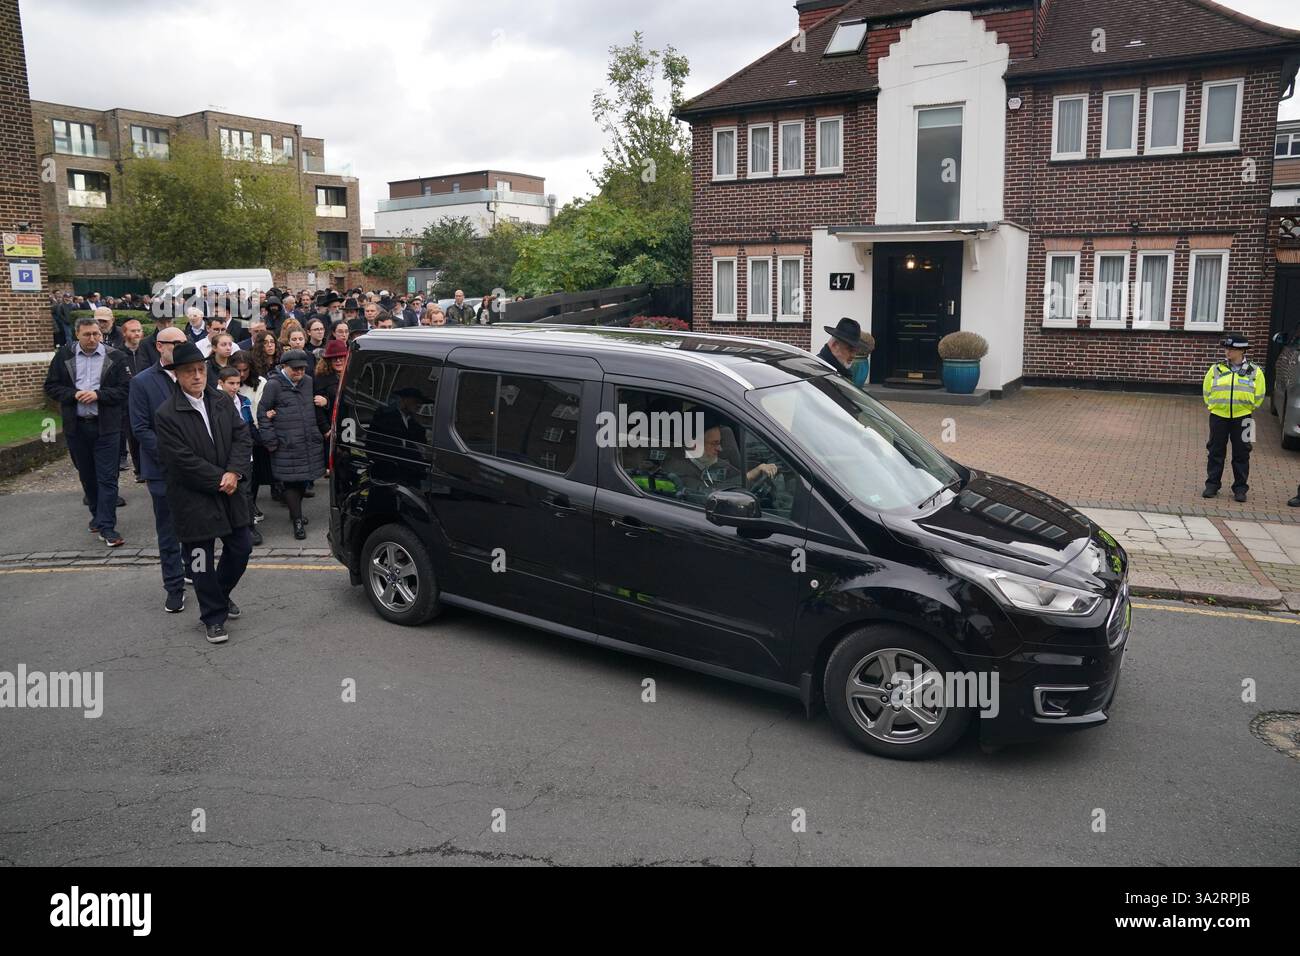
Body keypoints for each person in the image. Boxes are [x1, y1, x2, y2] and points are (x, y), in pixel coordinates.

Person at [154, 342, 254, 644]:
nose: (197, 376)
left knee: (242, 547)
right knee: (200, 560)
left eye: (200, 369)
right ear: (177, 376)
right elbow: (180, 460)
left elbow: (242, 436)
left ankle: (218, 598)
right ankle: (213, 617)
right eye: (189, 372)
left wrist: (234, 472)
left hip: (230, 489)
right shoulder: (166, 413)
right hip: (193, 499)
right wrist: (219, 478)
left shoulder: (222, 400)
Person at [44, 316, 130, 546]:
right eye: (87, 335)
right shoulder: (64, 357)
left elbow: (125, 390)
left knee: (108, 478)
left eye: (96, 334)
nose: (92, 339)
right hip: (77, 427)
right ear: (77, 335)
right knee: (88, 476)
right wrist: (73, 395)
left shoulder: (116, 356)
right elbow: (51, 386)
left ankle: (107, 527)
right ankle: (97, 515)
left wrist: (99, 395)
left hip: (107, 428)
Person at [129, 325, 190, 611]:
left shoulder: (195, 374)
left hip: (194, 467)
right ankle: (174, 586)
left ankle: (196, 573)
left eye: (183, 342)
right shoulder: (142, 382)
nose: (178, 347)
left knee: (197, 528)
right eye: (173, 343)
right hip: (161, 469)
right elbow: (140, 428)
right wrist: (170, 456)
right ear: (159, 347)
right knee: (168, 531)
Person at [258, 349, 324, 540]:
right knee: (290, 482)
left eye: (302, 369)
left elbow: (316, 406)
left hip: (307, 442)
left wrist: (325, 403)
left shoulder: (308, 382)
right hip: (286, 444)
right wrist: (270, 441)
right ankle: (297, 519)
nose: (299, 373)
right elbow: (263, 413)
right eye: (295, 369)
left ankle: (295, 513)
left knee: (304, 479)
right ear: (283, 367)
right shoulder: (273, 385)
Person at [1202, 334, 1265, 503]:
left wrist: (1247, 408)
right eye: (1226, 348)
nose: (1227, 351)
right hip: (1218, 416)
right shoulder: (1216, 369)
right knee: (1215, 451)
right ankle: (1212, 485)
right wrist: (1213, 407)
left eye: (1231, 349)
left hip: (1245, 418)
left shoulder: (1255, 371)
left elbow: (1259, 396)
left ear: (1242, 351)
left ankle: (1240, 489)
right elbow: (1206, 391)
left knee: (1243, 453)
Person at [217, 365, 262, 546]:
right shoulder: (215, 402)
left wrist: (261, 441)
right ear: (221, 383)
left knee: (246, 492)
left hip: (245, 454)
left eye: (237, 383)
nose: (234, 387)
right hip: (225, 455)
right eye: (230, 383)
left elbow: (249, 425)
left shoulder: (243, 400)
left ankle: (249, 526)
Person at [118, 317, 152, 481]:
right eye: (133, 330)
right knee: (133, 436)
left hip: (147, 399)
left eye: (139, 330)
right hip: (128, 402)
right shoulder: (118, 354)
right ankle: (139, 470)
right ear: (125, 334)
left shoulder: (147, 352)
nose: (137, 333)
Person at [314, 340, 348, 466]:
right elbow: (317, 407)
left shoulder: (352, 374)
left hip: (350, 424)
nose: (338, 361)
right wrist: (326, 429)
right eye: (334, 359)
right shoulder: (321, 378)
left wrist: (328, 401)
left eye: (341, 357)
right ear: (328, 360)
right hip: (332, 427)